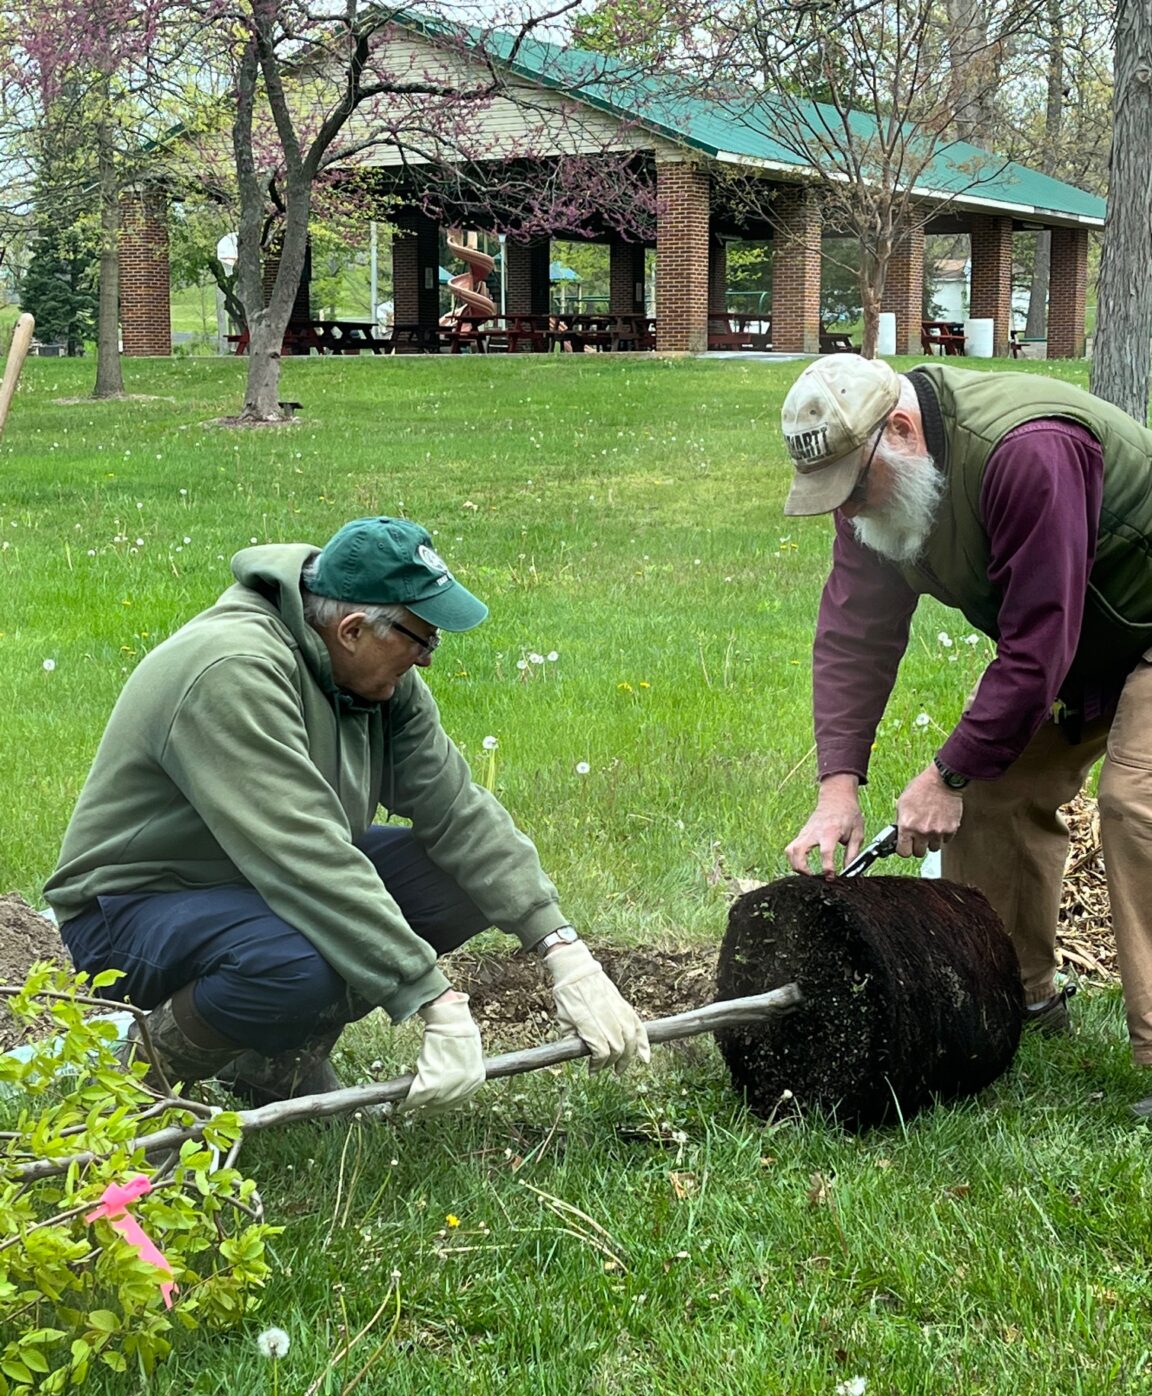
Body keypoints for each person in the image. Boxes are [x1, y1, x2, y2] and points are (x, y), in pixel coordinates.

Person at [47, 516, 650, 1110]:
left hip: (256, 882)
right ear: (355, 629)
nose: (429, 659)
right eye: (421, 639)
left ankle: (270, 1063)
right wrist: (433, 1001)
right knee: (294, 966)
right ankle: (139, 1083)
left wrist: (564, 950)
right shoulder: (231, 673)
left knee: (462, 879)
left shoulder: (377, 678)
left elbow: (458, 809)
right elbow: (306, 858)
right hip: (132, 907)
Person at [778, 352, 1152, 1108]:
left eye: (852, 489)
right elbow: (856, 636)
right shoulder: (884, 493)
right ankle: (1018, 997)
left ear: (903, 430)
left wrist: (946, 773)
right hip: (1088, 639)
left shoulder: (1028, 451)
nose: (847, 514)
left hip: (1125, 622)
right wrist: (838, 788)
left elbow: (1040, 640)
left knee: (1137, 804)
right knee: (994, 788)